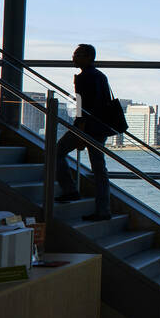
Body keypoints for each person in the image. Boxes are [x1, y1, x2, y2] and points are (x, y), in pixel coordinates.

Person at [54, 44, 114, 222]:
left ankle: (70, 190)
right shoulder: (100, 76)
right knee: (99, 169)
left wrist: (80, 132)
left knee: (57, 152)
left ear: (88, 57)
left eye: (77, 55)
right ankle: (103, 210)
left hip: (87, 127)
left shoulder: (84, 77)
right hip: (100, 128)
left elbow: (84, 108)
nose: (73, 58)